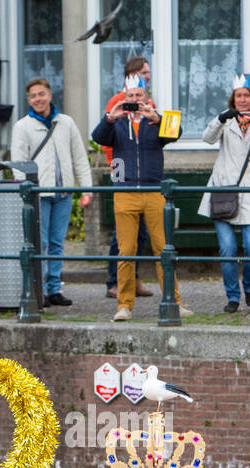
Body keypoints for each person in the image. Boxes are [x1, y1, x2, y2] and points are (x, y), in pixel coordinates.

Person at [91, 74, 192, 322]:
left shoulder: (155, 121)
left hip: (154, 190)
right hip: (125, 192)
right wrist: (110, 117)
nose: (134, 100)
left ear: (147, 97)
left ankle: (174, 302)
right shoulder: (116, 123)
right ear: (124, 98)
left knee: (163, 249)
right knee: (126, 250)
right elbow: (98, 137)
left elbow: (175, 133)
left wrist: (156, 118)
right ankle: (124, 305)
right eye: (130, 96)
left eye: (139, 96)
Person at [197, 74, 250, 313]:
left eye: (246, 95)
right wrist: (220, 118)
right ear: (233, 98)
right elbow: (207, 138)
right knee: (227, 249)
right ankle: (233, 295)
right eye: (238, 95)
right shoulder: (226, 121)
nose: (242, 99)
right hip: (223, 192)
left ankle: (249, 286)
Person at [10, 78, 94, 308]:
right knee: (40, 242)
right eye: (33, 96)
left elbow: (79, 157)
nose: (38, 99)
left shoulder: (66, 122)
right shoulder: (22, 127)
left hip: (63, 192)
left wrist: (86, 189)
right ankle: (40, 290)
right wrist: (24, 192)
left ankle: (54, 288)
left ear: (49, 95)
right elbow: (18, 164)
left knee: (57, 243)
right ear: (28, 100)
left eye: (41, 94)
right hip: (38, 194)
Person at [102, 56, 156, 300]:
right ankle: (114, 280)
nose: (148, 75)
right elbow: (107, 137)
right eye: (145, 72)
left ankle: (133, 278)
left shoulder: (147, 100)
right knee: (122, 233)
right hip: (122, 166)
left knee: (142, 231)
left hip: (144, 172)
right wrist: (116, 169)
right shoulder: (119, 100)